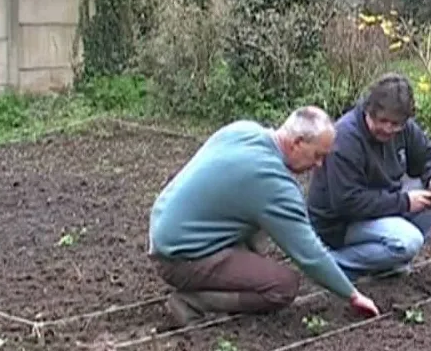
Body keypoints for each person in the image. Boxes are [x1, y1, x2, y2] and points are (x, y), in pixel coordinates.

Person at [148, 107, 380, 327]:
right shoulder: (272, 182)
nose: (319, 165)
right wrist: (352, 295)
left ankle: (229, 276)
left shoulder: (243, 130)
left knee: (256, 223)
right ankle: (192, 303)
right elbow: (309, 254)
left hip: (166, 231)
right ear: (297, 143)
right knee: (282, 285)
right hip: (180, 258)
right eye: (318, 155)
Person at [307, 73, 431, 281]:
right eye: (382, 121)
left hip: (378, 206)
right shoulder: (346, 139)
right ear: (369, 110)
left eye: (395, 124)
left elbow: (429, 154)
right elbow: (347, 202)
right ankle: (332, 263)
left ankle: (389, 261)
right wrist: (405, 202)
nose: (388, 129)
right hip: (338, 223)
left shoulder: (404, 129)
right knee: (408, 241)